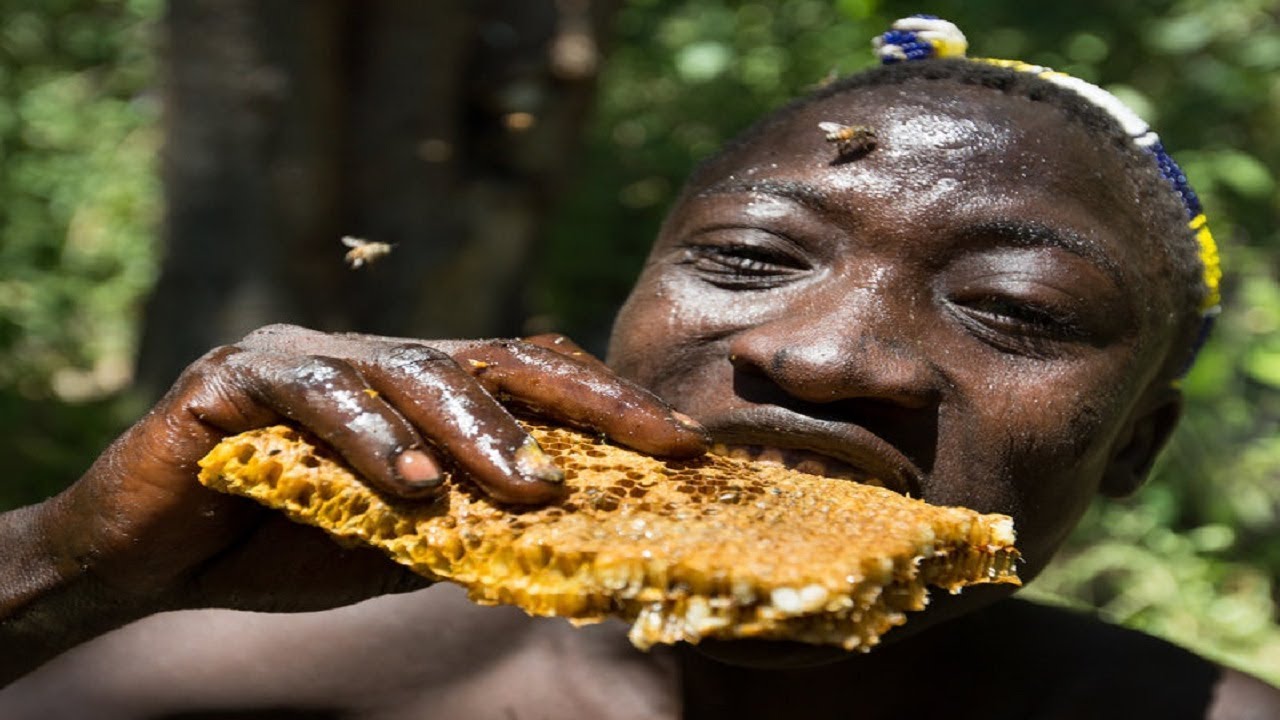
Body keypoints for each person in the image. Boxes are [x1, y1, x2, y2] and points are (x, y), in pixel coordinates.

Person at [1, 16, 1277, 719]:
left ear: (1133, 446)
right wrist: (70, 566)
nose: (822, 357)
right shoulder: (269, 662)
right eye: (749, 257)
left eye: (1011, 307)